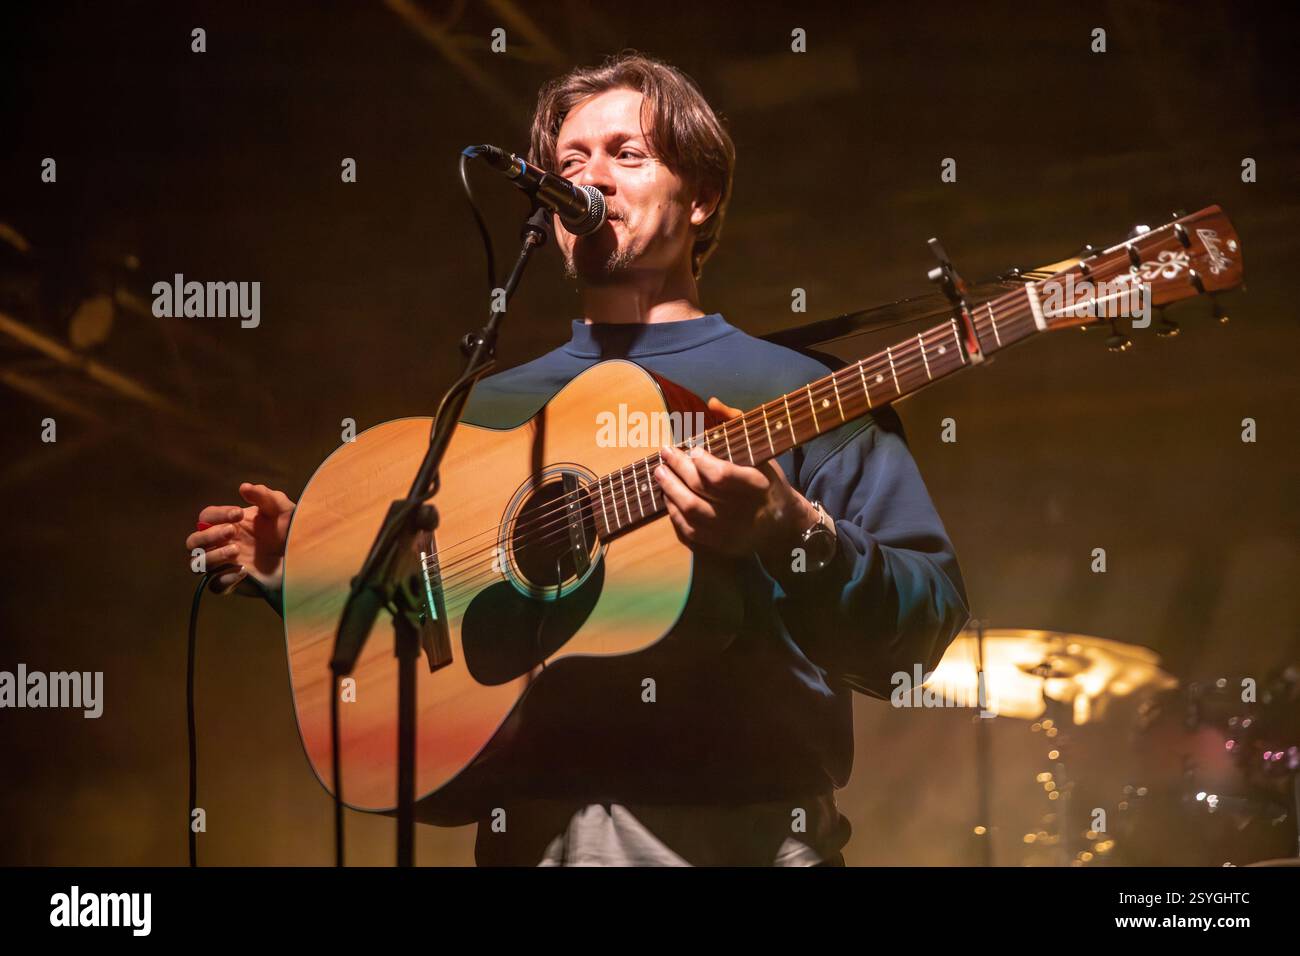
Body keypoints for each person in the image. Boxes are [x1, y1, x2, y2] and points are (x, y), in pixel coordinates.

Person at [185, 52, 970, 866]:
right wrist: (303, 579)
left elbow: (921, 631)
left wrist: (792, 532)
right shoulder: (487, 407)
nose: (589, 177)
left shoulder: (801, 391)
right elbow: (434, 625)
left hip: (748, 838)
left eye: (627, 154)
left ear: (700, 198)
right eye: (569, 162)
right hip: (527, 841)